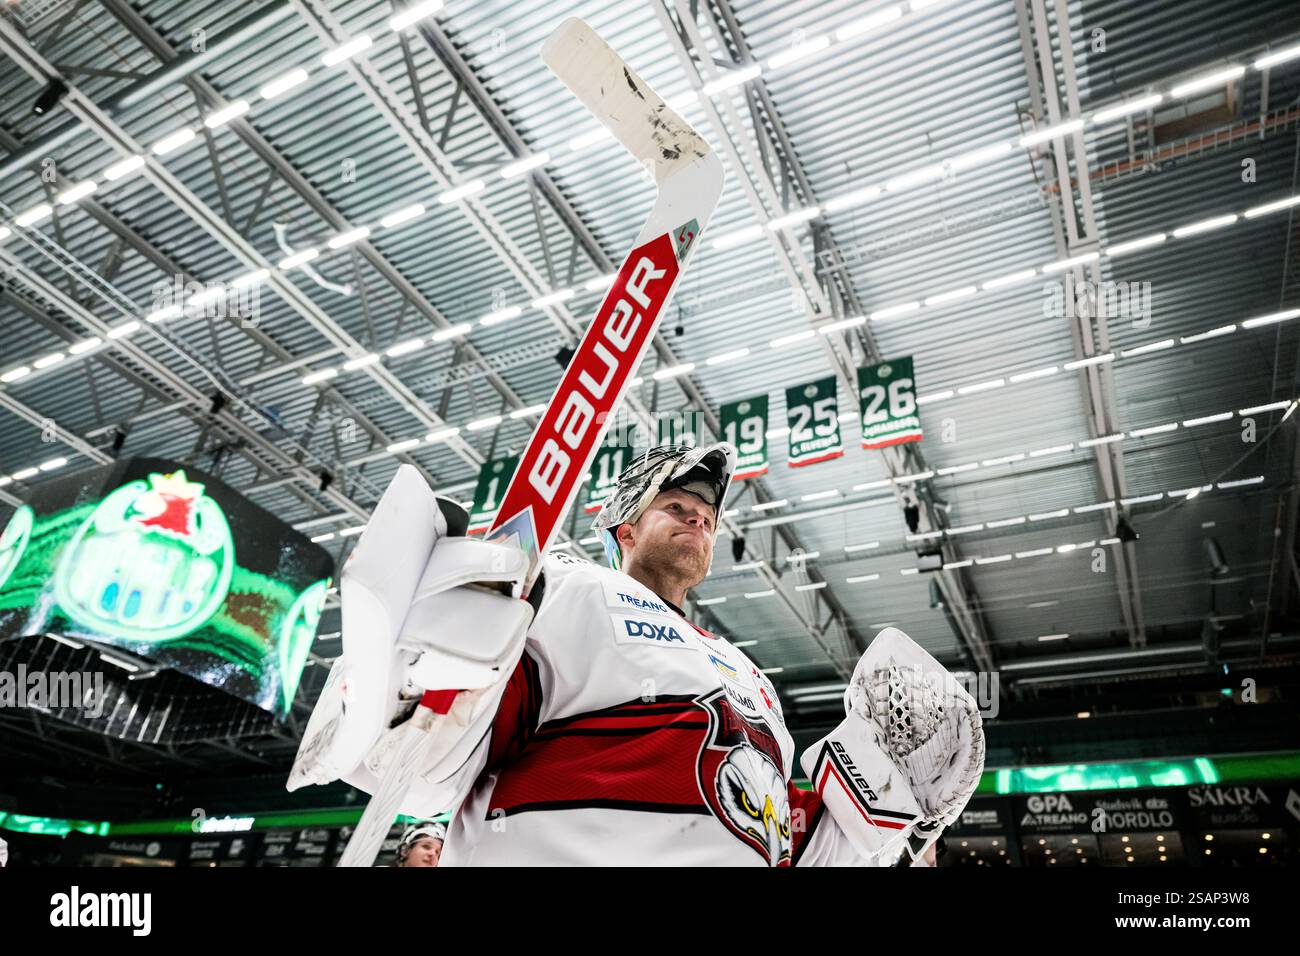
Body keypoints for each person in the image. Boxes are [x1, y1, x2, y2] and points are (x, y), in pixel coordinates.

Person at [290, 443, 984, 866]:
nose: (699, 521)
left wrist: (880, 816)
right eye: (677, 507)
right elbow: (426, 769)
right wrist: (419, 677)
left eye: (708, 520)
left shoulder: (752, 680)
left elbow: (779, 836)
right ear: (623, 526)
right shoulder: (567, 589)